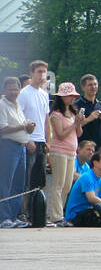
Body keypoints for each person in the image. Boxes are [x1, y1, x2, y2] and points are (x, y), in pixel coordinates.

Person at [45, 82, 83, 224]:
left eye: (73, 96)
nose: (72, 98)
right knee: (58, 183)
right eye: (69, 96)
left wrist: (78, 123)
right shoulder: (56, 115)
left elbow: (78, 133)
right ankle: (56, 216)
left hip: (71, 152)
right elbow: (60, 134)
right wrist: (74, 124)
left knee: (67, 185)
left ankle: (59, 213)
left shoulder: (72, 113)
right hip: (59, 151)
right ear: (61, 98)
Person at [17, 60, 50, 221]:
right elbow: (19, 117)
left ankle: (36, 213)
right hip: (29, 141)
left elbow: (45, 119)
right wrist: (26, 140)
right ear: (31, 73)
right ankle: (23, 212)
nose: (42, 75)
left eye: (44, 72)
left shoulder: (44, 94)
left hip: (41, 142)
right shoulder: (24, 93)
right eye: (39, 71)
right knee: (27, 180)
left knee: (39, 180)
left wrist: (47, 141)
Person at [0, 76, 33, 227]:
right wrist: (23, 127)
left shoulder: (17, 105)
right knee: (6, 183)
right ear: (4, 89)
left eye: (16, 89)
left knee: (18, 184)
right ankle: (4, 218)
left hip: (21, 147)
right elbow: (3, 128)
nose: (13, 92)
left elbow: (22, 124)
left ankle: (14, 216)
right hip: (8, 146)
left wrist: (28, 127)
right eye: (10, 89)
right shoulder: (2, 104)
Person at [74, 74, 101, 149]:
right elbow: (72, 127)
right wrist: (89, 118)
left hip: (98, 147)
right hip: (82, 147)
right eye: (90, 85)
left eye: (95, 84)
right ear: (83, 87)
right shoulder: (76, 105)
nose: (93, 87)